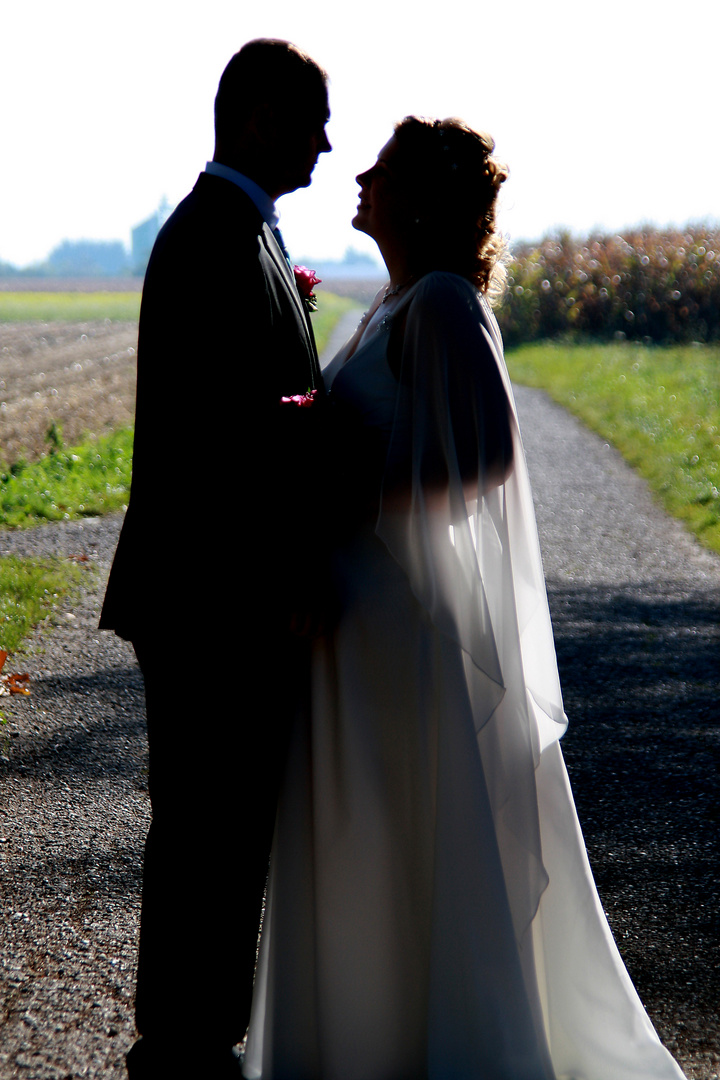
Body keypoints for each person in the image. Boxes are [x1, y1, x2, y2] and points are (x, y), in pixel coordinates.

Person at [241, 118, 687, 1079]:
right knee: (367, 833)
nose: (359, 173)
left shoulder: (443, 304)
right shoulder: (396, 302)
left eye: (383, 167)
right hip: (356, 624)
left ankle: (436, 1041)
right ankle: (365, 1033)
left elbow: (487, 454)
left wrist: (355, 486)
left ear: (421, 201)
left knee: (406, 830)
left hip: (403, 626)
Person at [99, 40, 331, 1079]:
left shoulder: (245, 233)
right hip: (209, 598)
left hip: (215, 593)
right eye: (315, 117)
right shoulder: (211, 239)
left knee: (226, 820)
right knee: (206, 819)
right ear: (263, 117)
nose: (328, 139)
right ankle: (185, 1040)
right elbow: (221, 446)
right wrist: (281, 582)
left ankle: (198, 1030)